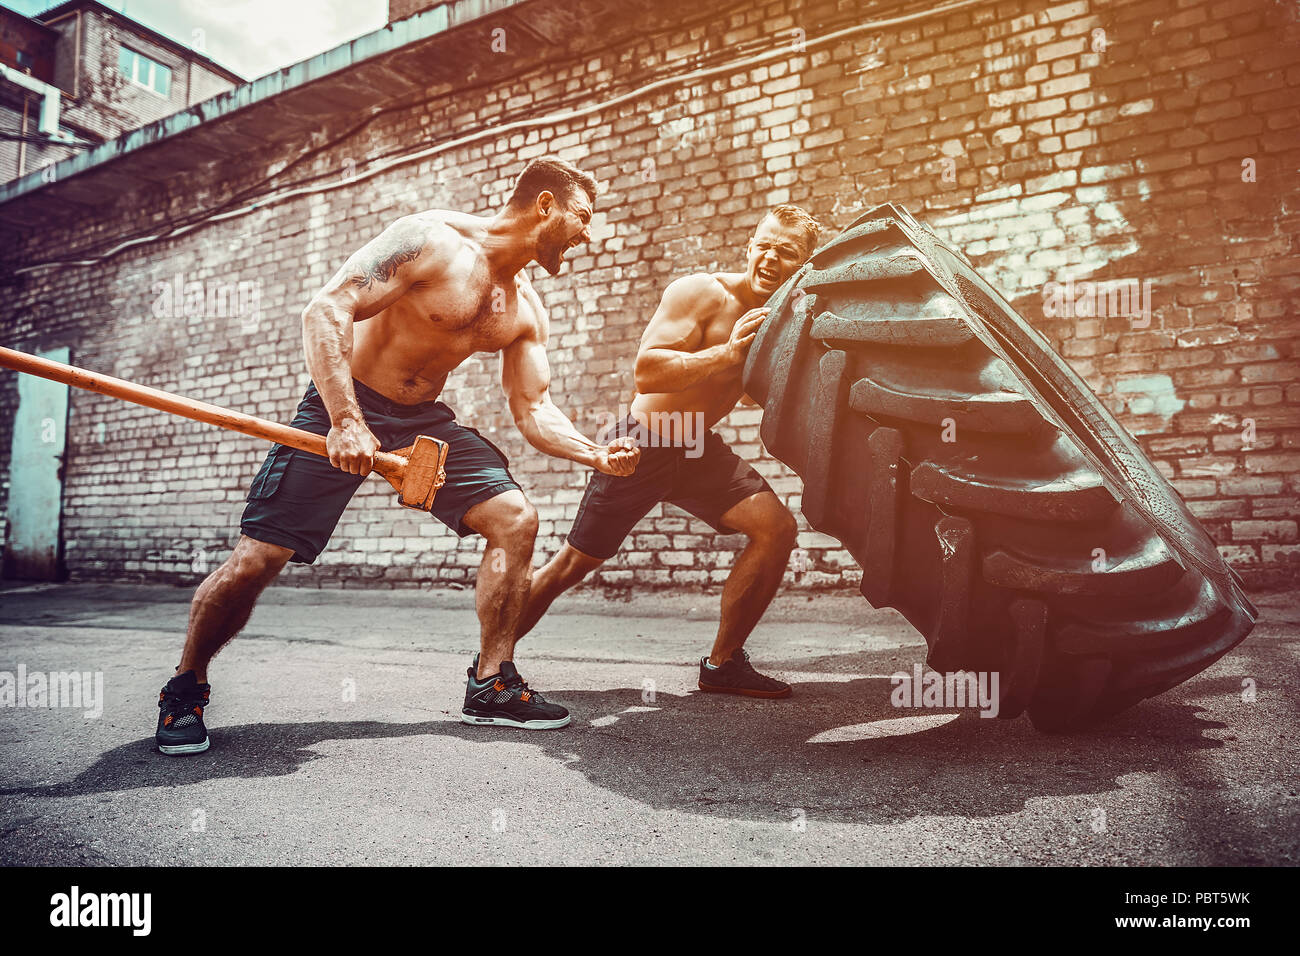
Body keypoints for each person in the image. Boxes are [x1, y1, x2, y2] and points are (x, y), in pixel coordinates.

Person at [155, 156, 639, 753]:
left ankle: (491, 683)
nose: (587, 234)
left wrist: (594, 454)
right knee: (258, 559)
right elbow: (327, 309)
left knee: (515, 519)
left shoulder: (523, 308)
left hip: (421, 423)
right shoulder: (433, 241)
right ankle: (185, 688)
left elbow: (533, 409)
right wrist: (346, 421)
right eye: (581, 218)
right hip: (343, 405)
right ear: (545, 205)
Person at [515, 204, 820, 698]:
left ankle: (722, 666)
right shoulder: (702, 292)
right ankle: (490, 667)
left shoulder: (781, 320)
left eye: (786, 253)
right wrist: (725, 354)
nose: (770, 259)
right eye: (764, 246)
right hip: (645, 440)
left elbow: (749, 392)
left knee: (776, 529)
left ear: (803, 265)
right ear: (749, 247)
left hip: (699, 448)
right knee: (572, 565)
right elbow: (648, 371)